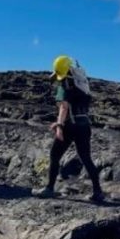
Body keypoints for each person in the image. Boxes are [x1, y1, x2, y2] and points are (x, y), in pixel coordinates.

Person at [33, 55, 104, 203]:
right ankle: (98, 192)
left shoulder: (64, 84)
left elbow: (64, 107)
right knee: (86, 158)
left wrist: (59, 126)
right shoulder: (82, 83)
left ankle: (49, 189)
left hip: (70, 126)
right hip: (84, 125)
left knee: (54, 155)